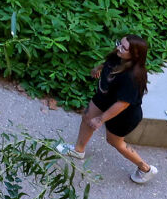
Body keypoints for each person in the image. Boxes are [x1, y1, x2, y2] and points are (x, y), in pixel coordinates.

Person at [56, 35, 158, 184]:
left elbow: (122, 104)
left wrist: (101, 119)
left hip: (123, 115)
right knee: (87, 117)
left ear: (135, 55)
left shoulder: (132, 77)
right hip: (105, 98)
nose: (118, 48)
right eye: (119, 43)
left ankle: (145, 169)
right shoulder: (118, 56)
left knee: (114, 142)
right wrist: (98, 69)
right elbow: (108, 64)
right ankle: (78, 150)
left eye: (123, 47)